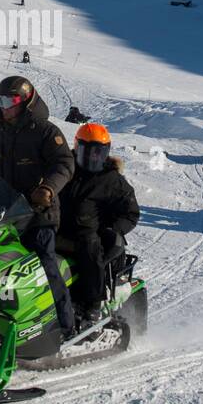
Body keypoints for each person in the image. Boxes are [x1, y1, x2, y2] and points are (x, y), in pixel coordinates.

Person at [0, 76, 75, 334]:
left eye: (10, 100)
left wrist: (47, 189)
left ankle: (66, 326)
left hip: (39, 214)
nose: (5, 106)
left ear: (27, 101)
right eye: (1, 101)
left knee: (43, 262)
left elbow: (64, 164)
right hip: (3, 215)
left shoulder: (45, 131)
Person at [59, 123, 139, 324]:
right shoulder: (65, 168)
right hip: (59, 227)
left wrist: (113, 230)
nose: (93, 156)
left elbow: (130, 213)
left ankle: (92, 304)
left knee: (90, 247)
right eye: (89, 150)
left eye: (99, 151)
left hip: (90, 233)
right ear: (77, 147)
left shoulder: (111, 179)